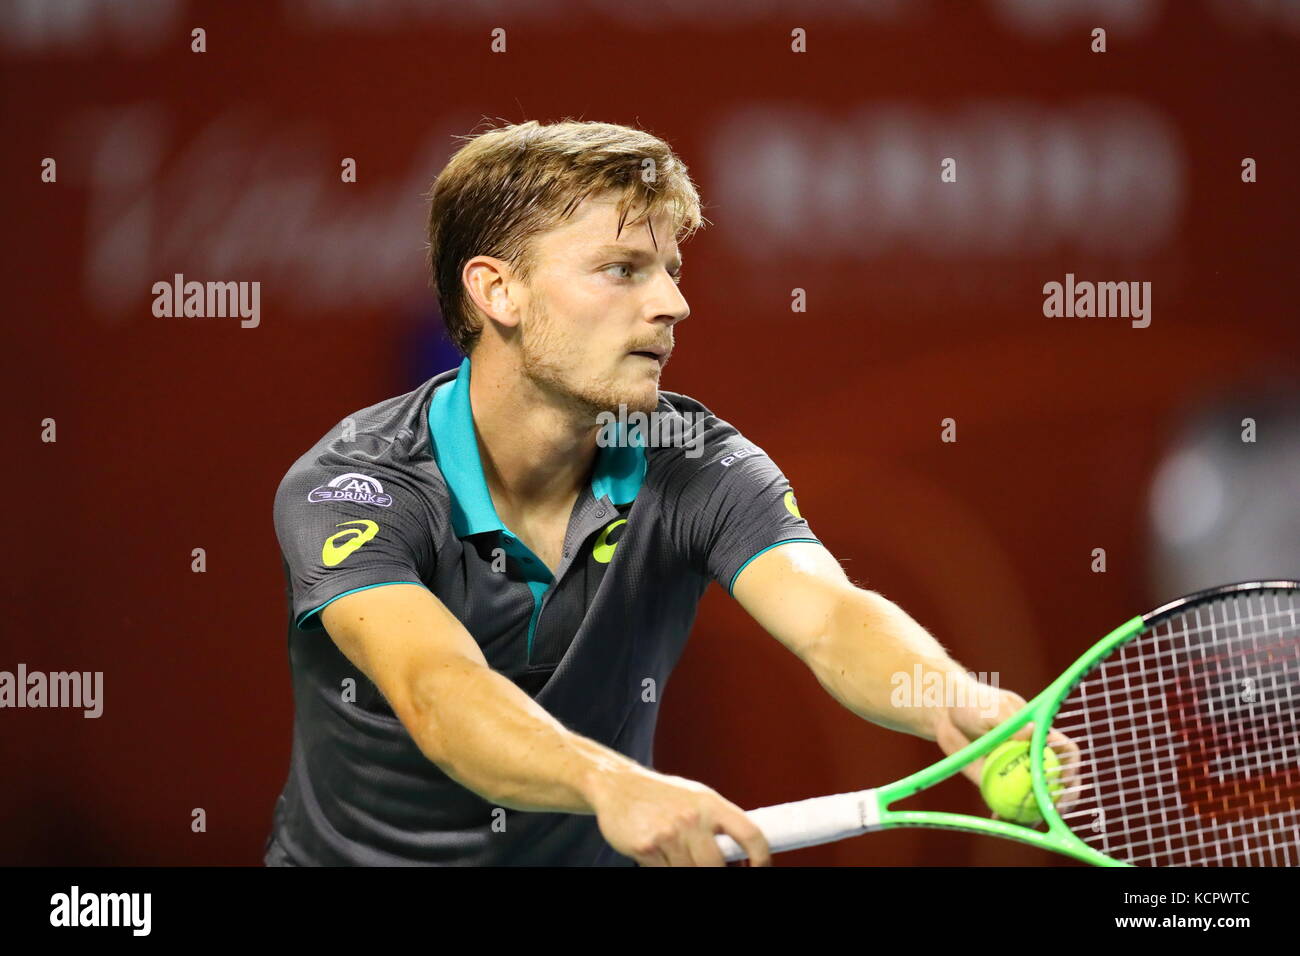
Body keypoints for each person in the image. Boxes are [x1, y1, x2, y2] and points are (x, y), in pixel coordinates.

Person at [264, 118, 1024, 866]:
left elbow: (828, 615)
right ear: (498, 290)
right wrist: (610, 782)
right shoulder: (355, 485)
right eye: (623, 269)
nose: (671, 304)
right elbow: (437, 687)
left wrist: (951, 696)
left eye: (672, 271)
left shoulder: (695, 462)